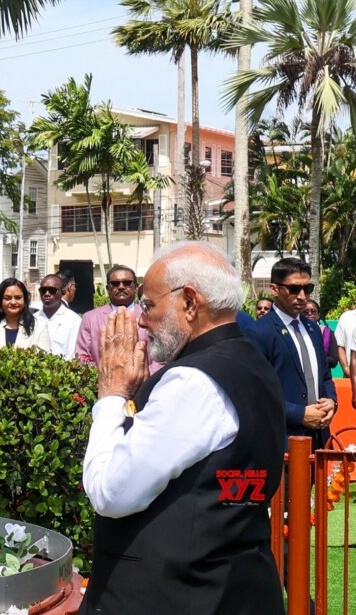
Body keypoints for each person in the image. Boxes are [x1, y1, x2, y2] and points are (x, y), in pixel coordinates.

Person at [80, 241, 285, 615]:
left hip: (178, 596)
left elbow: (111, 491)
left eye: (149, 305)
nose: (142, 320)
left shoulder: (193, 382)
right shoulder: (250, 362)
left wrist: (111, 396)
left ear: (190, 302)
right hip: (234, 590)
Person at [244, 257, 336, 448]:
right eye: (294, 289)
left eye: (307, 289)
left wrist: (331, 402)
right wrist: (299, 414)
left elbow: (325, 377)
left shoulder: (313, 329)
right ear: (274, 289)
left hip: (320, 439)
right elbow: (254, 393)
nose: (302, 296)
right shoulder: (259, 332)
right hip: (282, 442)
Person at [75, 264, 159, 373]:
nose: (121, 287)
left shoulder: (151, 315)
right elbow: (82, 356)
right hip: (103, 384)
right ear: (107, 288)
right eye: (115, 283)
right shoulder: (90, 318)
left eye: (127, 283)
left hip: (144, 385)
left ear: (136, 287)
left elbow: (160, 358)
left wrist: (145, 377)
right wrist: (105, 375)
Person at [0, 278, 51, 351]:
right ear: (0, 300)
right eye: (7, 298)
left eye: (18, 298)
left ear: (25, 300)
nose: (13, 302)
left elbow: (46, 359)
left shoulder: (40, 327)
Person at [36, 273, 81, 359]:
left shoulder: (74, 320)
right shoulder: (32, 319)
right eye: (43, 290)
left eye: (52, 290)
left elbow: (73, 354)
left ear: (62, 292)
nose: (47, 294)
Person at [303, 300, 339, 375]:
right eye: (305, 312)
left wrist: (313, 358)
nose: (309, 314)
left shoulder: (327, 333)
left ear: (318, 314)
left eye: (313, 311)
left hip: (323, 376)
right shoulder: (296, 332)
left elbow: (334, 361)